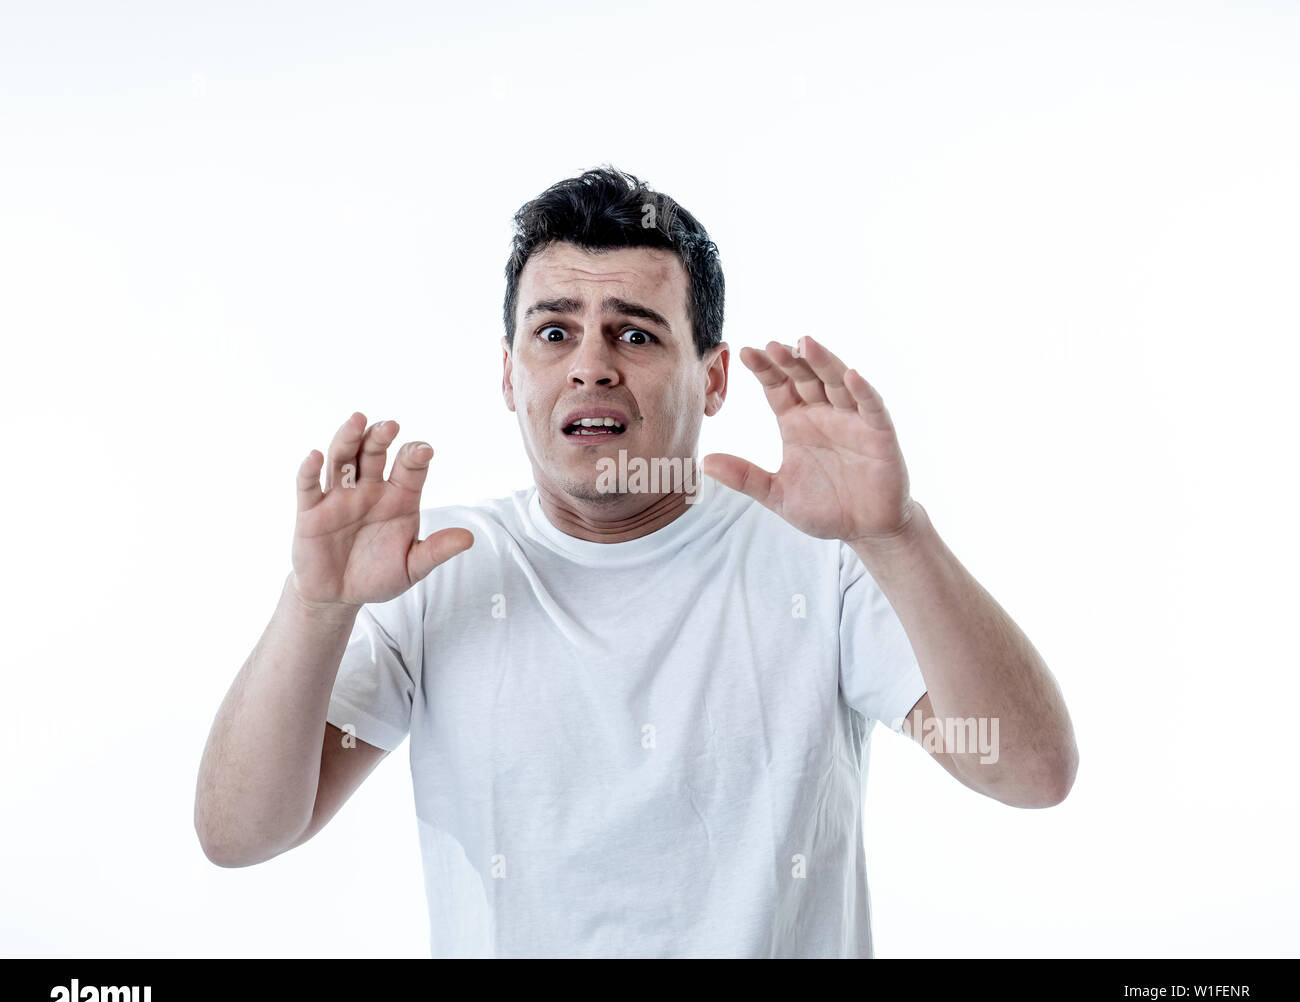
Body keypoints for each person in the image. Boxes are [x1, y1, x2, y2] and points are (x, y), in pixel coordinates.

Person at [194, 166, 1078, 958]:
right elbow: (240, 832)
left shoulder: (826, 563)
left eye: (637, 334)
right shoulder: (431, 571)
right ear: (508, 375)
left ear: (716, 377)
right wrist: (316, 609)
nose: (590, 367)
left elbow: (1031, 772)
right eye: (552, 333)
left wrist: (898, 536)